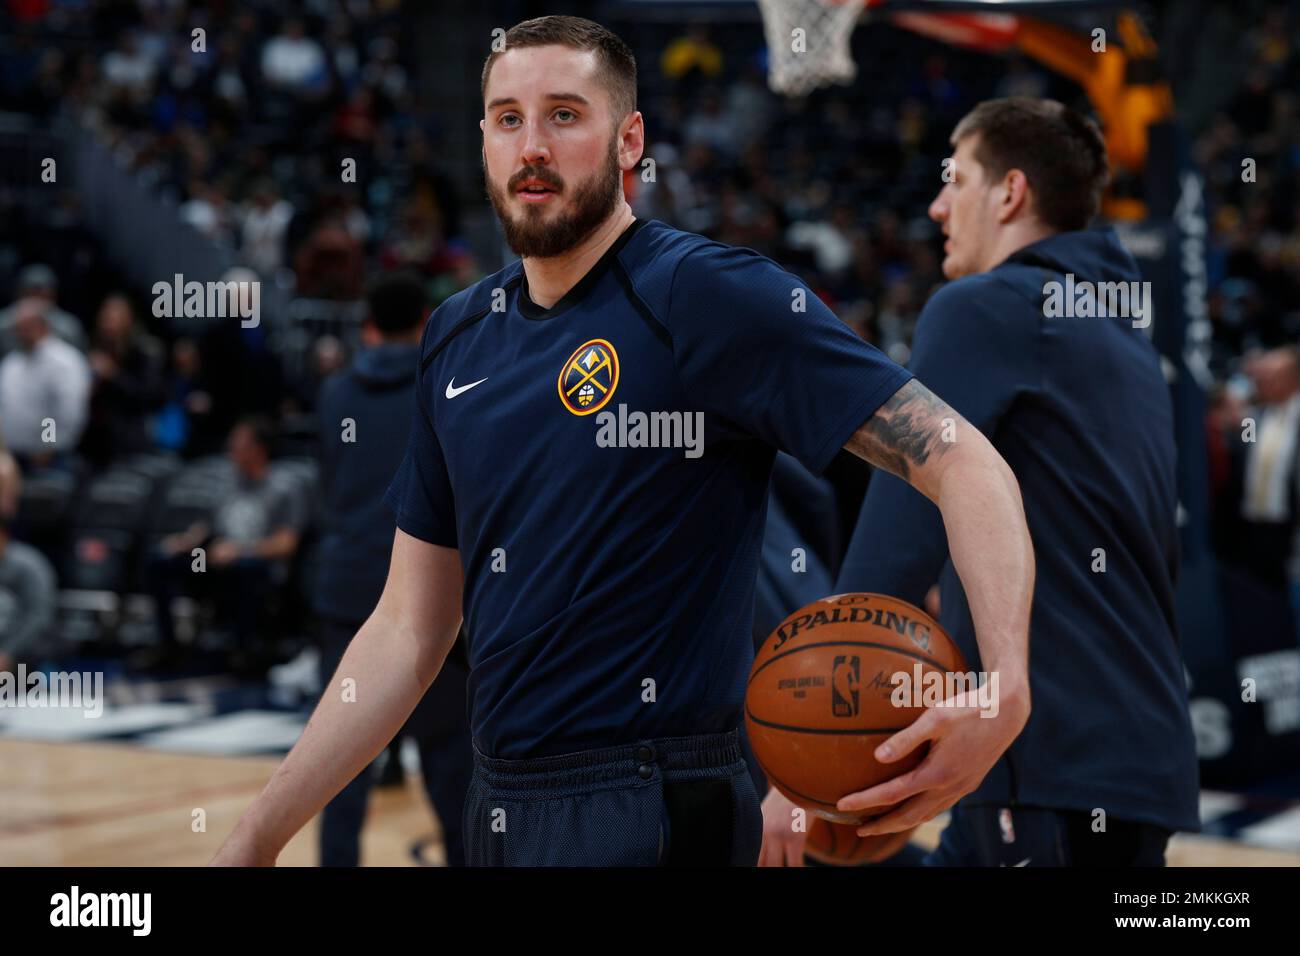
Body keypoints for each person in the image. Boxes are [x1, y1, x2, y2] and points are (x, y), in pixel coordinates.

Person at [212, 16, 1034, 868]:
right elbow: (407, 632)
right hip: (499, 806)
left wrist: (1004, 684)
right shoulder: (458, 336)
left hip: (658, 804)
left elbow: (961, 456)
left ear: (628, 139)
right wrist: (256, 835)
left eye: (565, 115)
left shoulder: (705, 294)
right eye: (507, 118)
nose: (532, 145)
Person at [767, 98, 1199, 866]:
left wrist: (804, 770)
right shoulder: (1124, 338)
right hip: (1134, 757)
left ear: (1010, 194)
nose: (936, 205)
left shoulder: (986, 306)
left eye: (955, 180)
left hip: (1045, 759)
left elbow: (901, 525)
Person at [312, 272, 473, 866]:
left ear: (368, 328)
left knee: (339, 772)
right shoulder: (449, 382)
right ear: (427, 321)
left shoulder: (334, 395)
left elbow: (328, 488)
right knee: (453, 774)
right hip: (427, 599)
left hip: (348, 593)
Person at [145, 417, 303, 672]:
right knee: (161, 561)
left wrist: (241, 550)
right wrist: (186, 542)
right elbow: (209, 525)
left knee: (246, 569)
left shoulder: (284, 487)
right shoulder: (229, 482)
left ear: (258, 449)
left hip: (258, 562)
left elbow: (286, 544)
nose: (231, 449)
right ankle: (169, 646)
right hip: (218, 557)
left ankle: (246, 652)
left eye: (238, 444)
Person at [0, 298, 92, 471]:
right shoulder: (12, 363)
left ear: (42, 326)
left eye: (26, 327)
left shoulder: (64, 361)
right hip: (12, 456)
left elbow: (68, 411)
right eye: (18, 328)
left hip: (50, 459)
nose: (20, 333)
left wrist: (48, 445)